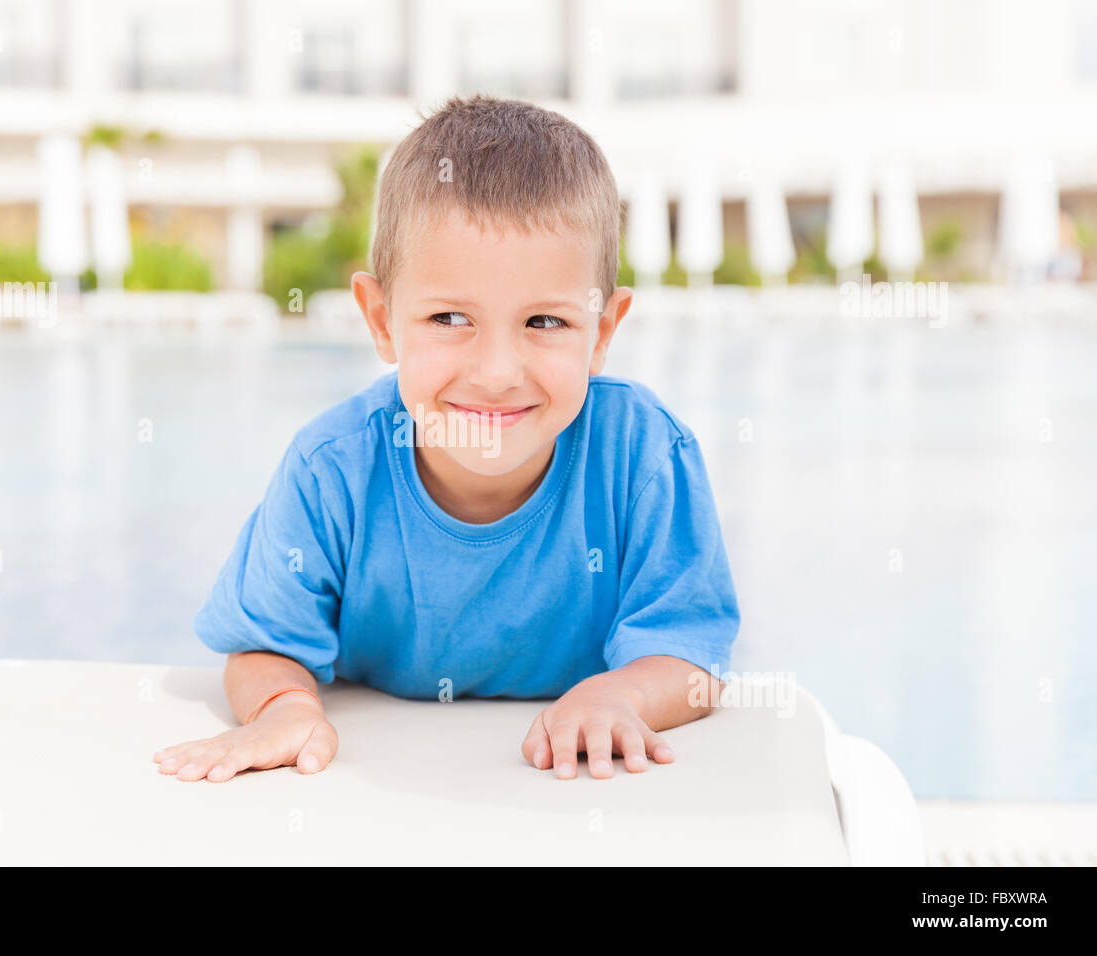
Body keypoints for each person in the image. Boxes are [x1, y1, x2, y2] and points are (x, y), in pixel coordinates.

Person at [154, 94, 740, 783]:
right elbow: (262, 646)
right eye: (450, 316)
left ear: (603, 332)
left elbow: (692, 650)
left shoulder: (643, 457)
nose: (496, 373)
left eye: (545, 323)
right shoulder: (332, 473)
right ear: (380, 319)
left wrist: (619, 694)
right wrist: (284, 707)